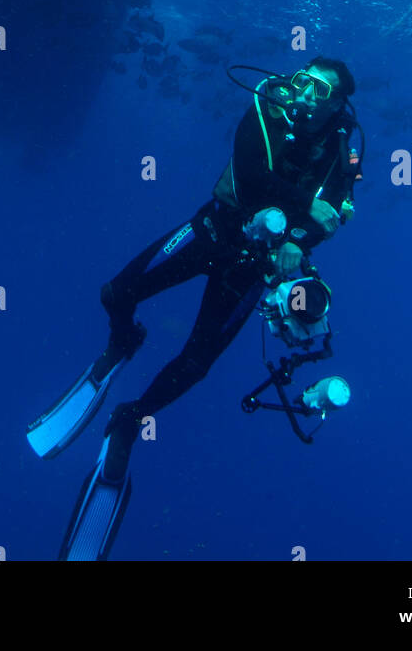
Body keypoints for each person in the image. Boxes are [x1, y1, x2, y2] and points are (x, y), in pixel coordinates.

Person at [28, 56, 362, 560]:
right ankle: (124, 342)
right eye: (305, 82)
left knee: (196, 363)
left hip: (254, 268)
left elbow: (330, 217)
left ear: (338, 104)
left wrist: (297, 232)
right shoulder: (267, 106)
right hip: (213, 230)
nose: (307, 95)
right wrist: (301, 211)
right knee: (116, 293)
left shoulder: (342, 148)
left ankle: (129, 421)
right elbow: (250, 175)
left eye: (321, 90)